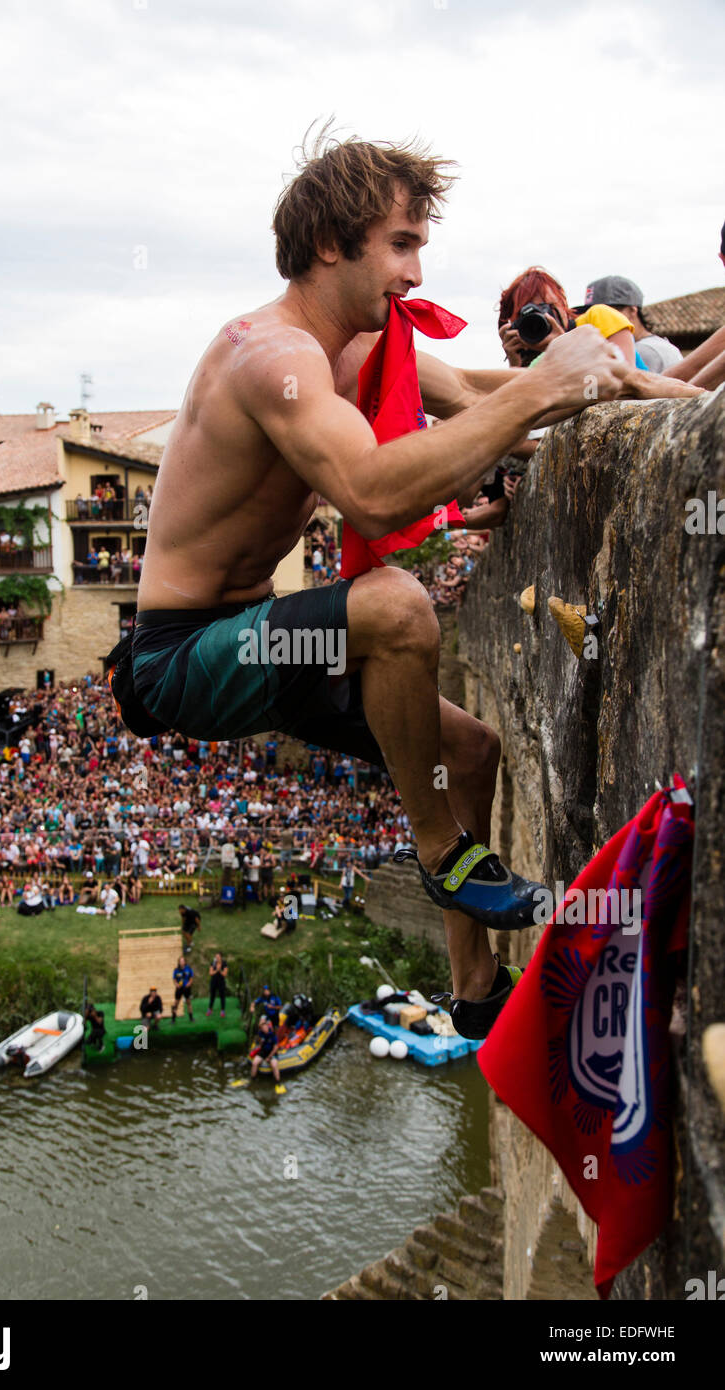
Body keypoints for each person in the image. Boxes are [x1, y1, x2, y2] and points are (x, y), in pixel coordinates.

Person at [128, 130, 656, 1039]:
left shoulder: (362, 347)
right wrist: (536, 396)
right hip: (179, 656)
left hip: (267, 636)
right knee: (397, 609)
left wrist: (649, 387)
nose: (416, 272)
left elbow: (489, 387)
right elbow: (372, 497)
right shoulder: (272, 359)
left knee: (475, 753)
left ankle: (474, 986)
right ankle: (443, 852)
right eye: (402, 244)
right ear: (332, 244)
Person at [250, 1015, 281, 1083]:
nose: (264, 1029)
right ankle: (252, 1079)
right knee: (255, 1063)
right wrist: (260, 1044)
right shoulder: (261, 1033)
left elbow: (275, 1048)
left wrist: (269, 1057)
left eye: (265, 1027)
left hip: (272, 1053)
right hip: (263, 1051)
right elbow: (260, 1043)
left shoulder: (272, 1035)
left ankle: (278, 1082)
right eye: (262, 1028)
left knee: (274, 1065)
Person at [171, 955, 195, 1023]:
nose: (182, 962)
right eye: (180, 961)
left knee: (188, 1002)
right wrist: (176, 984)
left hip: (186, 988)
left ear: (185, 962)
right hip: (179, 988)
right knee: (176, 1003)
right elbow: (174, 979)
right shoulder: (176, 970)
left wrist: (189, 983)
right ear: (178, 962)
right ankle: (173, 1019)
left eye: (183, 961)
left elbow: (191, 978)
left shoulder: (188, 968)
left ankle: (191, 1018)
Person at [206, 951, 228, 1017]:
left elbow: (225, 974)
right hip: (214, 982)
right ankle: (210, 1009)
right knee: (212, 996)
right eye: (216, 957)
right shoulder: (213, 963)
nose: (217, 958)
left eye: (218, 957)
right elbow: (210, 973)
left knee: (222, 996)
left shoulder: (224, 963)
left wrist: (220, 971)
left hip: (221, 982)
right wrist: (216, 971)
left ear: (221, 957)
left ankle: (222, 1010)